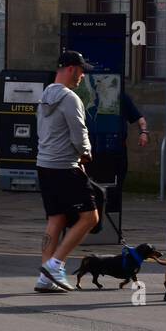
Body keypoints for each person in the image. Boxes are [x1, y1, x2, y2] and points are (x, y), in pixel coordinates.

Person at [34, 50, 100, 293]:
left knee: (56, 218)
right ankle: (55, 264)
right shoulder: (71, 99)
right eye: (82, 70)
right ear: (71, 68)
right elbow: (79, 132)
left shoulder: (45, 96)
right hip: (65, 167)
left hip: (45, 165)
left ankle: (45, 277)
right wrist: (86, 154)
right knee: (90, 217)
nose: (83, 75)